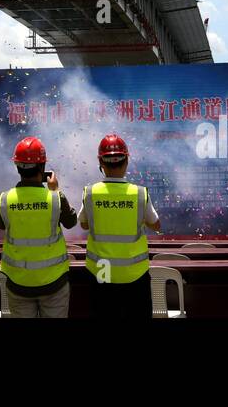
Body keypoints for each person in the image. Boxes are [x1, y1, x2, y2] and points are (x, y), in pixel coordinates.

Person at [78, 134, 160, 318]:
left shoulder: (90, 193)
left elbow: (83, 224)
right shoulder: (139, 194)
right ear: (126, 161)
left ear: (101, 163)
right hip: (134, 273)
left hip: (102, 269)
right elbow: (156, 225)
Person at [0, 136, 75, 317]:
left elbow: (2, 225)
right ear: (43, 167)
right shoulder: (56, 198)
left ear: (17, 167)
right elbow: (71, 222)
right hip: (54, 283)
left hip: (18, 283)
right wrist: (55, 191)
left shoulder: (4, 199)